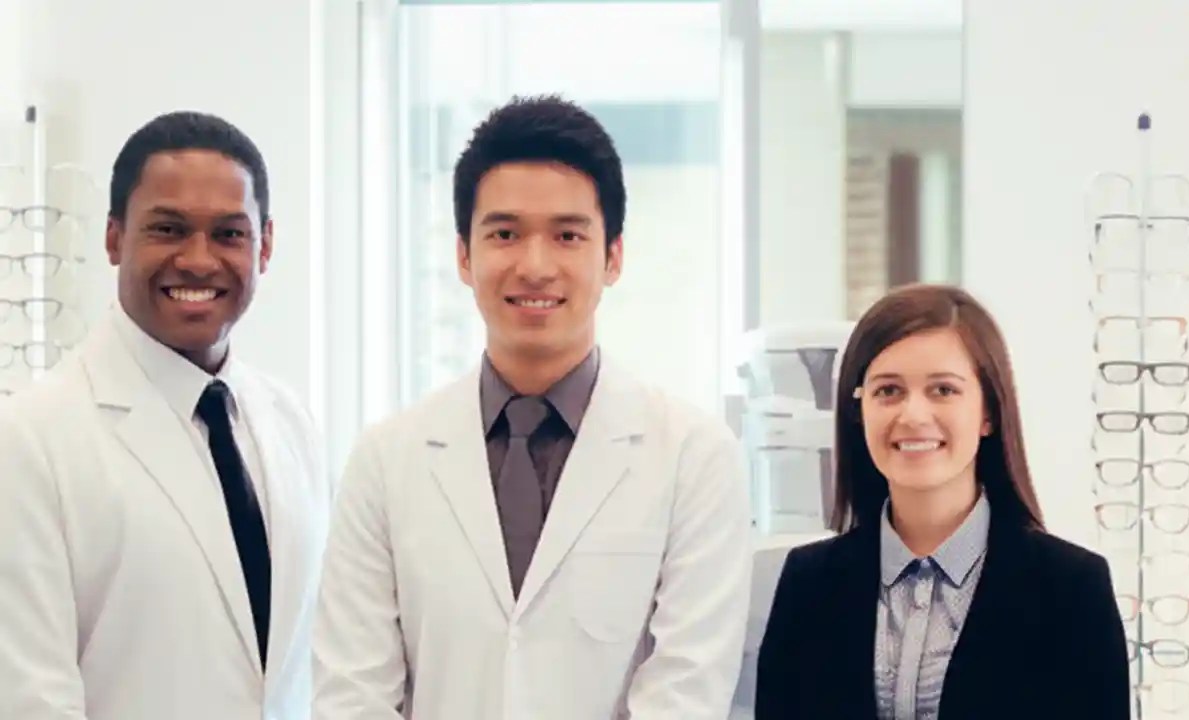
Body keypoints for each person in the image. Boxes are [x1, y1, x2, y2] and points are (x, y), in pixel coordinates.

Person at [312, 95, 752, 720]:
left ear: (613, 257)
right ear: (464, 255)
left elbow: (686, 693)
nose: (535, 265)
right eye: (505, 233)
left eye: (568, 235)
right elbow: (352, 691)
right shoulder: (386, 460)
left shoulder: (694, 457)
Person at [0, 111, 330, 719]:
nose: (199, 260)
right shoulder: (31, 440)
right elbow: (30, 697)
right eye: (168, 229)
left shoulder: (291, 423)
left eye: (229, 234)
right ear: (112, 238)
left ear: (267, 246)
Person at [755, 283, 1130, 720]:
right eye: (888, 390)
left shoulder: (1071, 589)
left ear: (988, 411)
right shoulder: (809, 584)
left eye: (943, 390)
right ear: (860, 412)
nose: (913, 415)